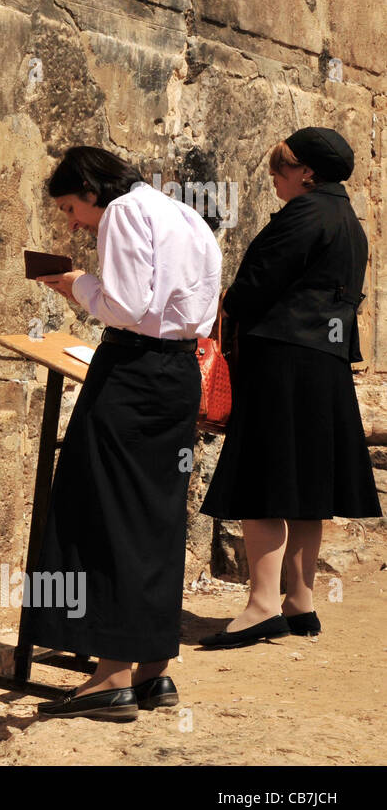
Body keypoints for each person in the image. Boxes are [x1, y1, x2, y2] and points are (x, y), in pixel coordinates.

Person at [27, 146, 222, 721]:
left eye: (69, 207)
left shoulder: (122, 213)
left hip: (132, 372)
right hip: (179, 372)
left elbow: (126, 304)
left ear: (90, 189)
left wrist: (76, 284)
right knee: (155, 515)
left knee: (102, 509)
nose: (72, 221)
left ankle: (109, 676)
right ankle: (152, 672)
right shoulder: (185, 215)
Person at [197, 127, 381, 647]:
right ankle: (300, 602)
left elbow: (256, 286)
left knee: (265, 479)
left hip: (283, 359)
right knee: (306, 485)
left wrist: (226, 309)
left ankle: (260, 606)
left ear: (307, 173)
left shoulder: (304, 214)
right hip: (323, 362)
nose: (274, 177)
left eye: (281, 168)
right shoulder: (349, 222)